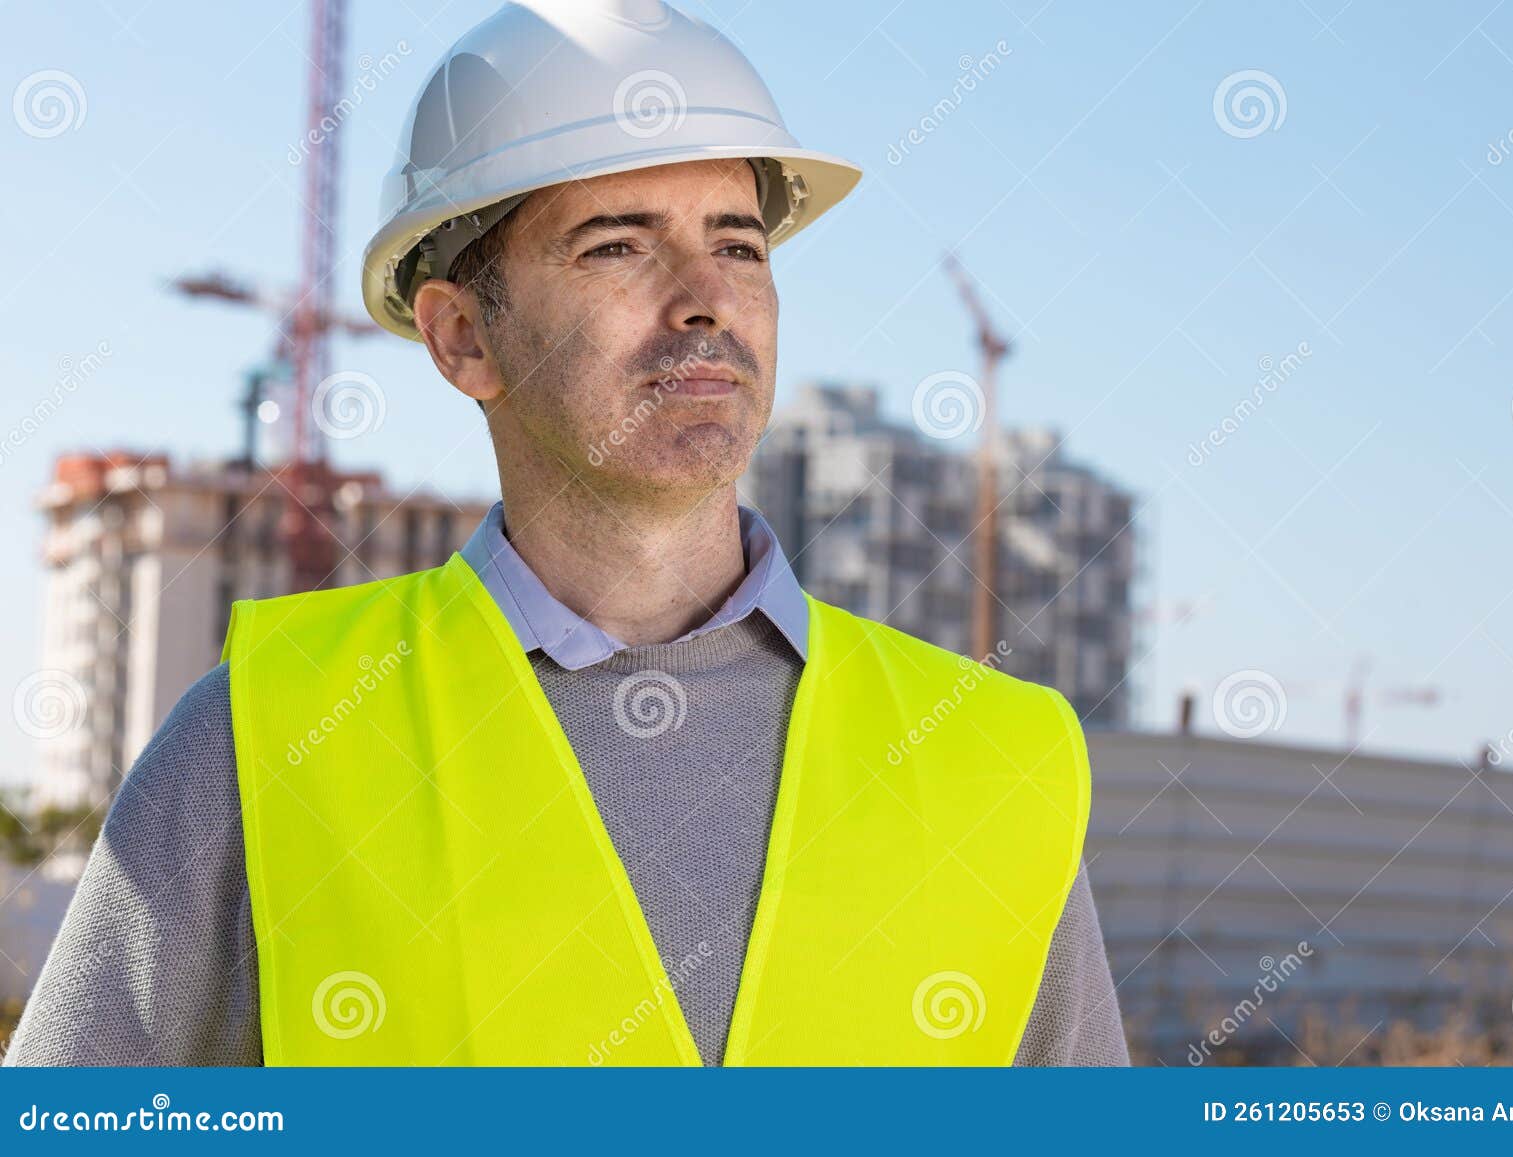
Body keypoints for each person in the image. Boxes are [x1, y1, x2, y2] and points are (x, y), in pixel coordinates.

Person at [5, 0, 1126, 1067]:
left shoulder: (991, 762)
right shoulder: (268, 738)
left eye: (739, 246)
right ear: (460, 338)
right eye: (617, 246)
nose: (705, 299)